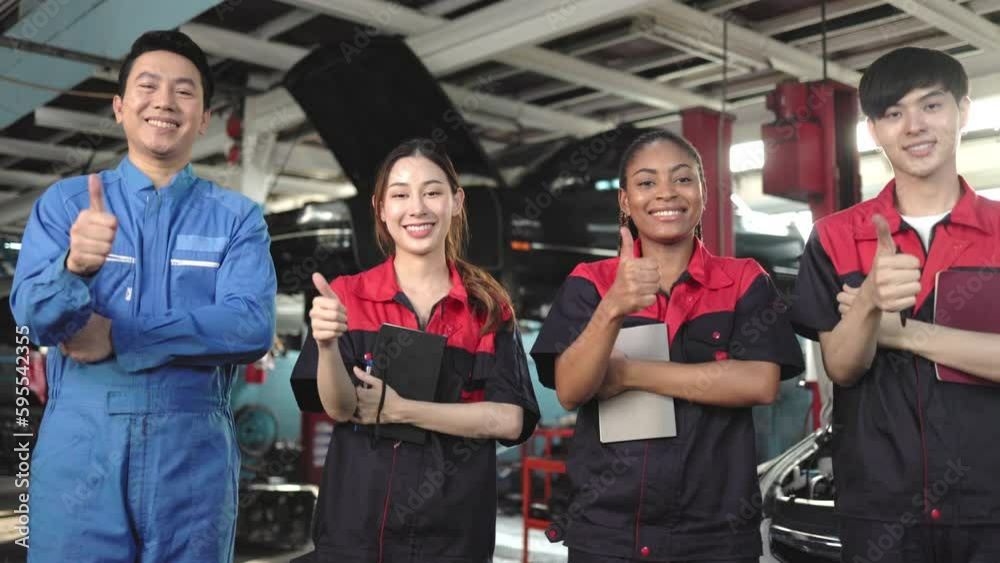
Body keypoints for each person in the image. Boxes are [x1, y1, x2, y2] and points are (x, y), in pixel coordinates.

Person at [10, 31, 276, 563]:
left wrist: (120, 335)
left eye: (185, 91)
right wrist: (73, 267)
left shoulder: (236, 219)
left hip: (192, 459)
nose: (164, 101)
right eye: (148, 86)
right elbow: (33, 316)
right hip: (81, 452)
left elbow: (250, 326)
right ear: (119, 106)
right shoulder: (66, 205)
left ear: (203, 117)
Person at [530, 129, 804, 562]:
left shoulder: (744, 280)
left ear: (702, 192)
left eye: (682, 179)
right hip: (609, 532)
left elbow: (759, 382)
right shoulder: (590, 283)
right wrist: (613, 308)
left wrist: (628, 373)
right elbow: (571, 388)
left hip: (714, 535)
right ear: (625, 201)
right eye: (646, 182)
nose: (666, 194)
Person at [791, 47, 1000, 562]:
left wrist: (901, 332)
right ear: (872, 130)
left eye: (931, 105)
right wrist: (867, 302)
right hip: (879, 509)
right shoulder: (835, 238)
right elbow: (841, 366)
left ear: (963, 112)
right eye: (893, 113)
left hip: (992, 507)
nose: (914, 126)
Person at [290, 139, 540, 563]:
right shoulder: (349, 296)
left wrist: (402, 409)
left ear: (456, 202)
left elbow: (510, 418)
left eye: (432, 192)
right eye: (401, 194)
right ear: (381, 208)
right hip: (358, 532)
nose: (417, 208)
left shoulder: (487, 308)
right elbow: (340, 407)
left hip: (455, 536)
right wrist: (327, 345)